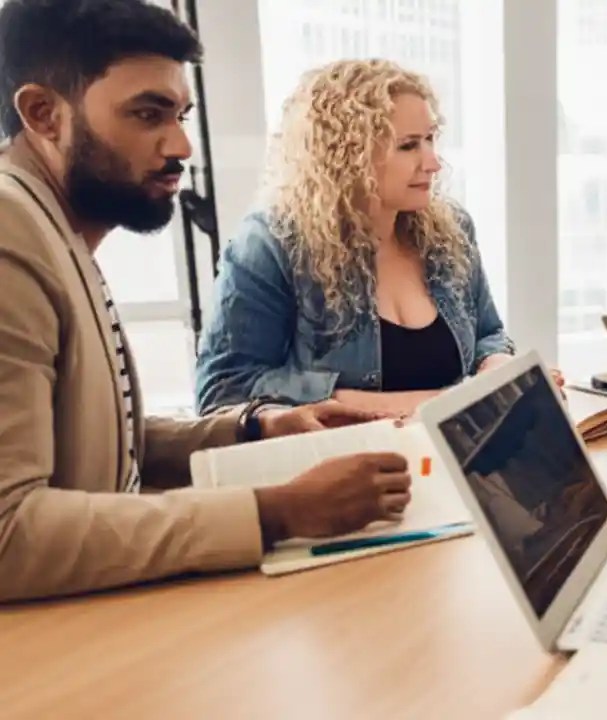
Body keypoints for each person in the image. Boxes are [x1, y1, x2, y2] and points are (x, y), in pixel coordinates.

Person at [0, 0, 414, 603]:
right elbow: (9, 535)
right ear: (44, 114)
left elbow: (97, 438)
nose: (181, 146)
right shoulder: (10, 235)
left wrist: (251, 430)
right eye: (148, 115)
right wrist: (276, 512)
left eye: (182, 115)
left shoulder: (50, 228)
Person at [195, 59, 517, 418]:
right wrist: (435, 404)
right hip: (342, 466)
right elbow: (224, 388)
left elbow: (490, 334)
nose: (433, 163)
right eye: (409, 145)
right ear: (347, 154)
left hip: (452, 460)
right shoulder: (272, 243)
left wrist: (499, 372)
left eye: (430, 139)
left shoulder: (452, 227)